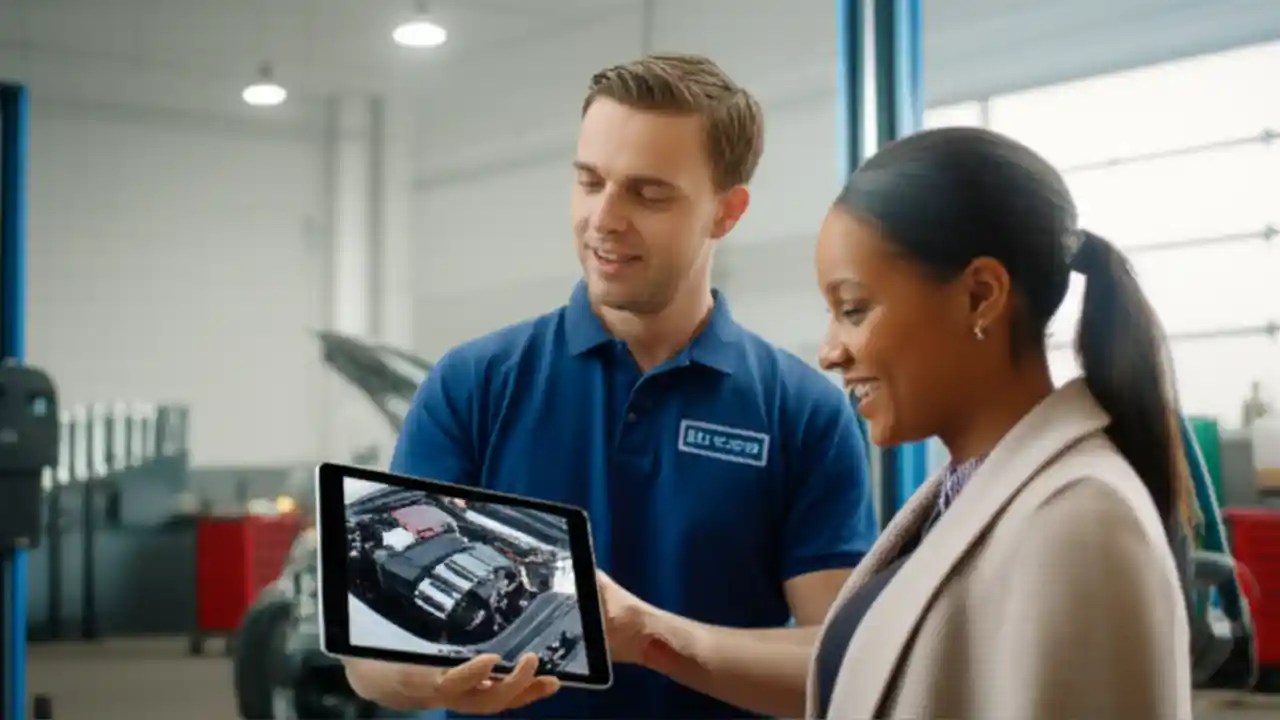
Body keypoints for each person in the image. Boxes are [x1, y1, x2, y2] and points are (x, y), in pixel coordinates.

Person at [589, 126, 1197, 719]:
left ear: (980, 295)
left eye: (854, 310)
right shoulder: (970, 498)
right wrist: (647, 634)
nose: (830, 351)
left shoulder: (1081, 520)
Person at [341, 53, 878, 719]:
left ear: (727, 211)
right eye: (590, 182)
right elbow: (370, 664)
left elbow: (842, 661)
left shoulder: (803, 412)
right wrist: (434, 681)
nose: (605, 219)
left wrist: (653, 638)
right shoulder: (473, 385)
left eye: (649, 194)